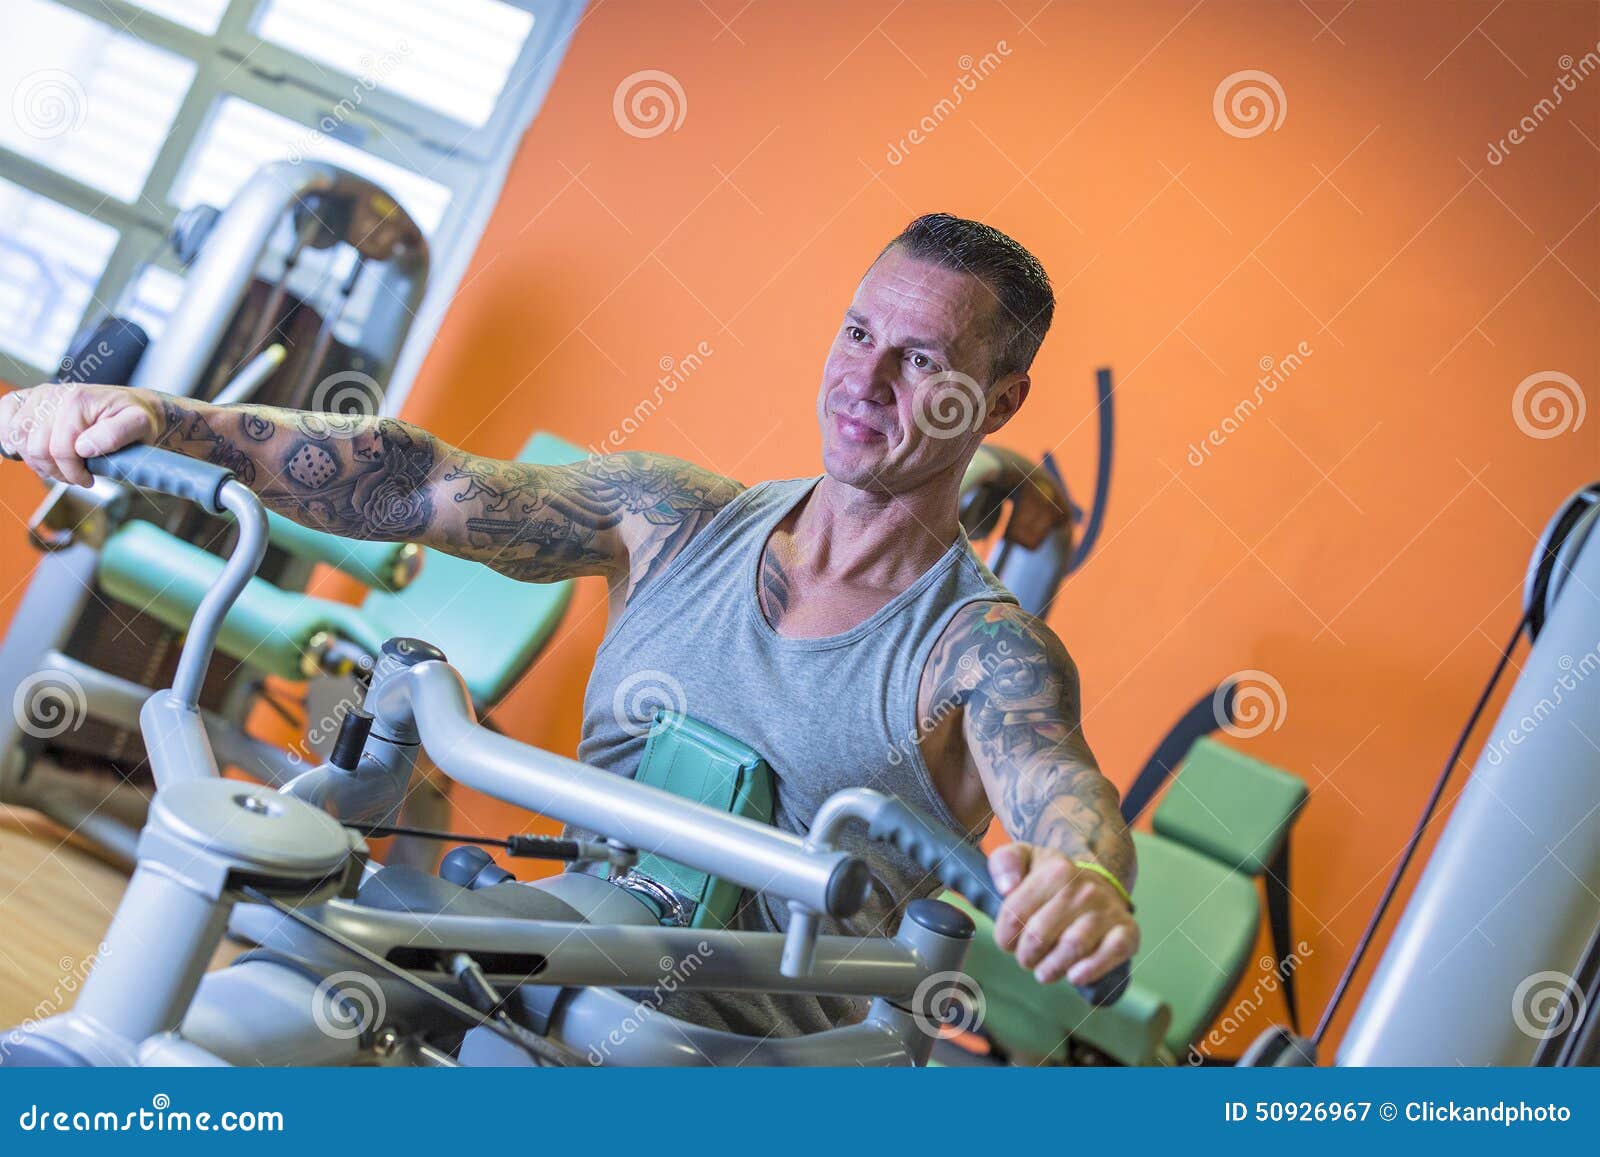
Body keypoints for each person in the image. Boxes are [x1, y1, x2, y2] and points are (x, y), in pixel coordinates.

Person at [1, 212, 1138, 1041]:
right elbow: (410, 482)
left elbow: (1061, 794)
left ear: (997, 402)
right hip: (549, 951)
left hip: (730, 1058)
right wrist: (157, 416)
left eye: (921, 359)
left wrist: (1086, 879)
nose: (865, 378)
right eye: (854, 333)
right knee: (264, 999)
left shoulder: (982, 651)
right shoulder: (668, 517)